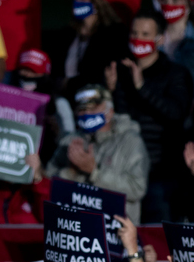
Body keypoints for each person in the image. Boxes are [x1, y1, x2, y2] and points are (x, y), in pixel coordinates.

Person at [105, 8, 194, 221]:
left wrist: (142, 87)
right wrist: (110, 91)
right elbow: (118, 119)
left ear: (160, 39)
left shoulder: (176, 74)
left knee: (160, 235)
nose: (138, 39)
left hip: (161, 175)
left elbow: (176, 114)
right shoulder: (120, 71)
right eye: (134, 33)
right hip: (125, 173)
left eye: (145, 34)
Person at [44, 84, 149, 221]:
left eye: (93, 108)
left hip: (116, 227)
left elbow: (137, 188)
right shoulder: (70, 141)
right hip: (78, 224)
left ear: (110, 111)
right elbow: (48, 181)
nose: (87, 113)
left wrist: (94, 172)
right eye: (82, 109)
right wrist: (70, 172)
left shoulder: (131, 141)